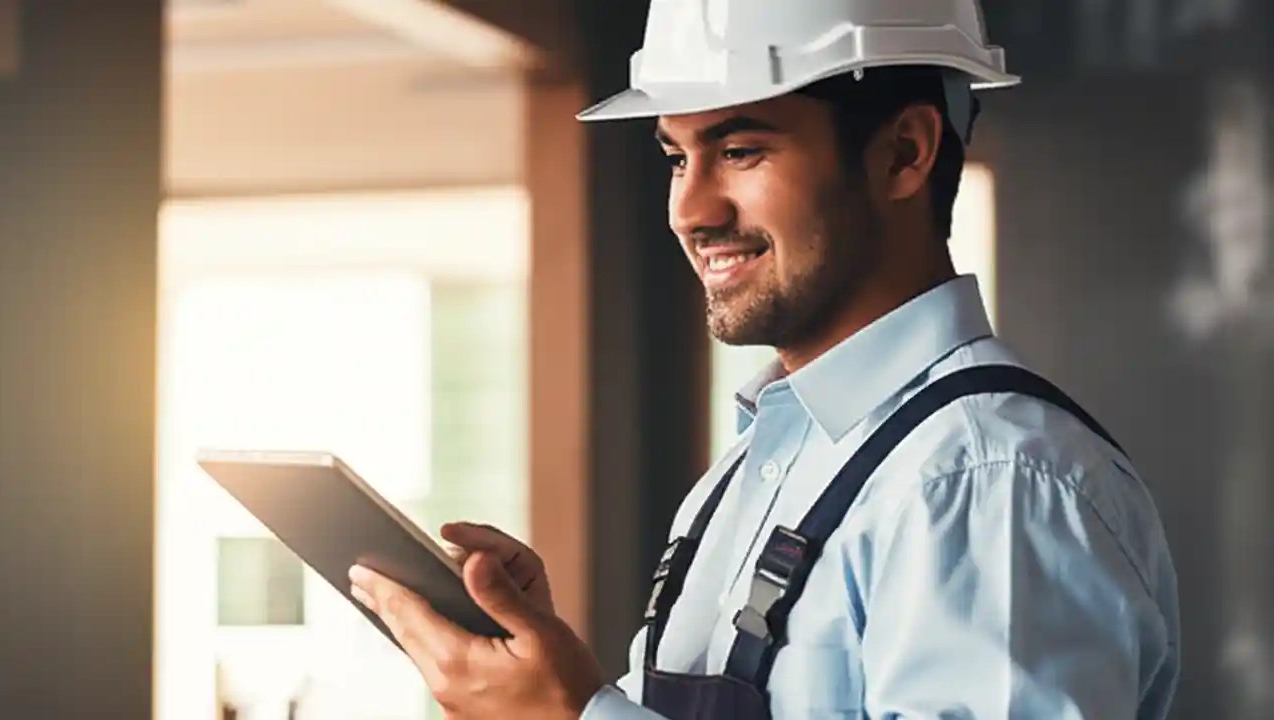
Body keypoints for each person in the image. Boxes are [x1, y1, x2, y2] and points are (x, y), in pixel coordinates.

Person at [348, 0, 1181, 717]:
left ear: (904, 153)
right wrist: (551, 679)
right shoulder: (761, 464)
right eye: (677, 156)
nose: (690, 209)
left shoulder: (985, 480)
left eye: (741, 151)